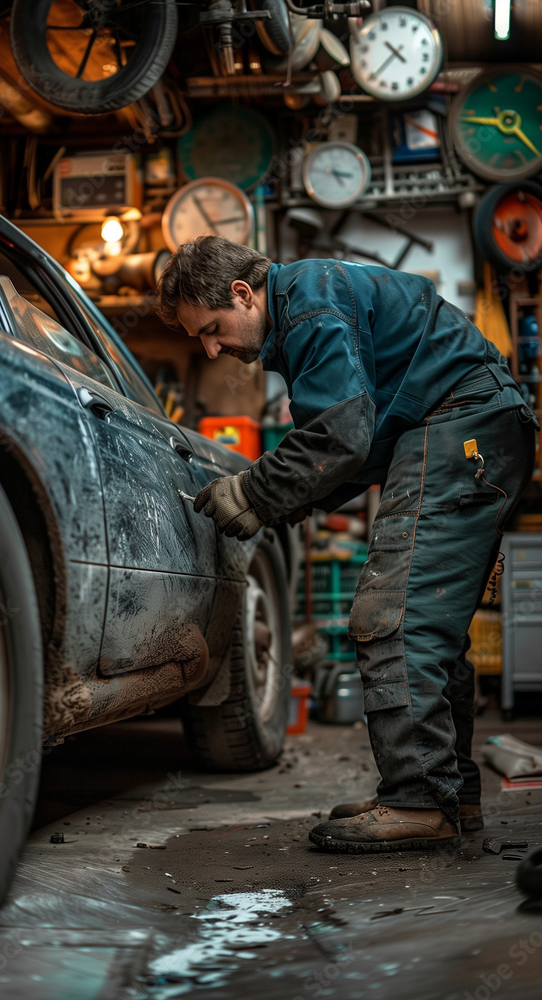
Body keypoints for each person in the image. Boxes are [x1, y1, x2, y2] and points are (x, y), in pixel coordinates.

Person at [157, 235, 538, 854]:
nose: (212, 347)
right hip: (468, 427)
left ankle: (418, 801)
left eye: (212, 328)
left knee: (394, 617)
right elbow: (358, 447)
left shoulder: (308, 303)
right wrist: (281, 502)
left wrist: (253, 490)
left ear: (243, 293)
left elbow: (340, 436)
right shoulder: (307, 306)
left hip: (461, 426)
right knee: (433, 626)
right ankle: (448, 792)